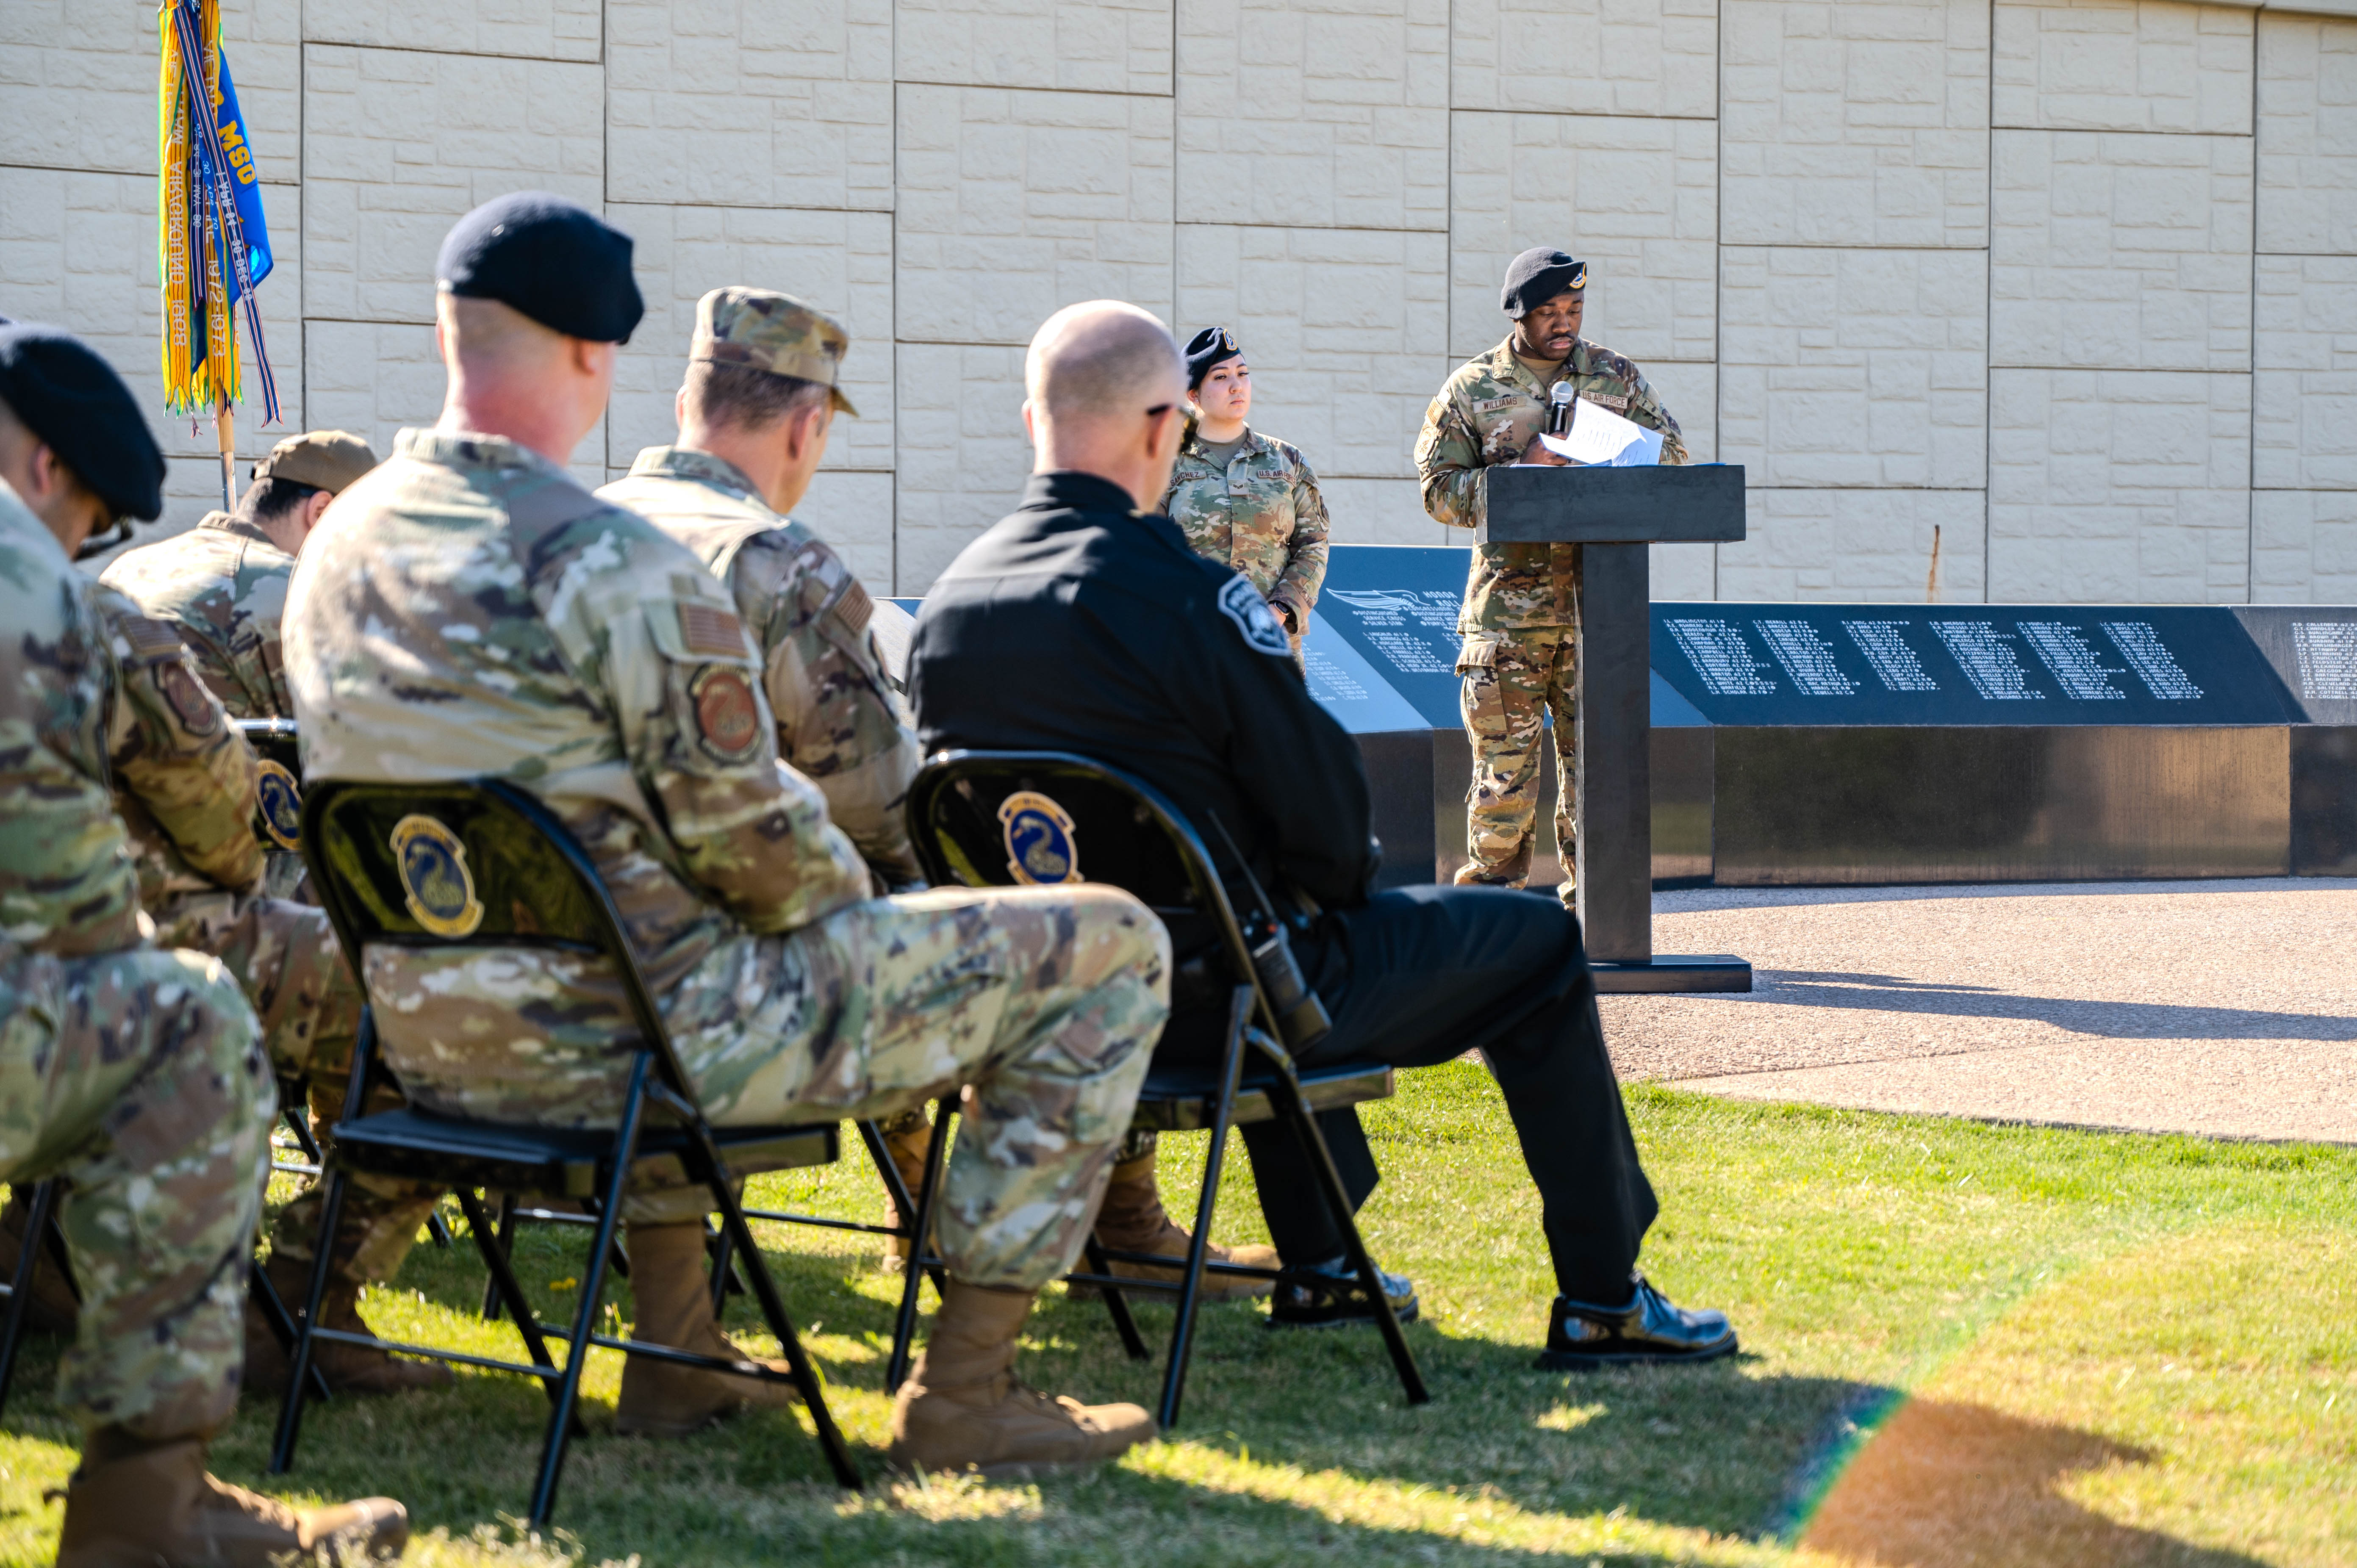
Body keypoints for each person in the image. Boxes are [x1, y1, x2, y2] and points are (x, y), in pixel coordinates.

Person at [282, 192, 1172, 1474]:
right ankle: (967, 1392)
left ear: (445, 331)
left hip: (421, 1040)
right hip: (640, 1046)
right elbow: (767, 851)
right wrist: (860, 909)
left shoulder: (340, 545)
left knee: (653, 923)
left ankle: (676, 1352)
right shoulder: (612, 565)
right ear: (597, 355)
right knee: (1109, 943)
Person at [911, 299, 1736, 1369]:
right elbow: (1334, 835)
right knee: (1525, 944)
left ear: (1033, 423)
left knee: (1239, 912)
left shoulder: (948, 609)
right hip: (1220, 1006)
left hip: (1043, 1013)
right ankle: (1602, 1294)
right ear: (1164, 428)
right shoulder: (1187, 601)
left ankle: (1327, 1261)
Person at [0, 344, 405, 1562]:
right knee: (362, 1003)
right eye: (76, 516)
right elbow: (232, 828)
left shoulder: (131, 570)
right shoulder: (80, 599)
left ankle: (52, 1266)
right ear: (49, 464)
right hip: (162, 925)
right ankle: (303, 1311)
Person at [595, 286, 943, 1279]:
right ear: (806, 425)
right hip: (712, 976)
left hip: (548, 955)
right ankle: (941, 1242)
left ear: (682, 405)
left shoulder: (556, 532)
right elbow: (880, 804)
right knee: (942, 904)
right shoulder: (775, 565)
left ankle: (669, 1261)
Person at [1414, 249, 1687, 904]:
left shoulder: (1615, 377)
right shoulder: (1473, 388)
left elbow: (1673, 459)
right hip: (1507, 620)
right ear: (1520, 314)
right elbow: (1439, 490)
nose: (1564, 323)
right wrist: (1523, 476)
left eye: (1574, 309)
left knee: (1596, 778)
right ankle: (1491, 923)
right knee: (1504, 782)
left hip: (1601, 610)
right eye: (1549, 312)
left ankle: (1591, 921)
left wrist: (1614, 459)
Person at [102, 428, 380, 720]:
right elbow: (358, 737)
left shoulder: (126, 566)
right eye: (372, 533)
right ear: (321, 512)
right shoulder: (295, 591)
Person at [1158, 326, 1330, 654]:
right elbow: (1147, 552)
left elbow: (1313, 546)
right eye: (1220, 378)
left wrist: (1278, 610)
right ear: (1193, 395)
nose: (1237, 386)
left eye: (1243, 373)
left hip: (1272, 647)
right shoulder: (1166, 464)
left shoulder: (1288, 460)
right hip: (1191, 647)